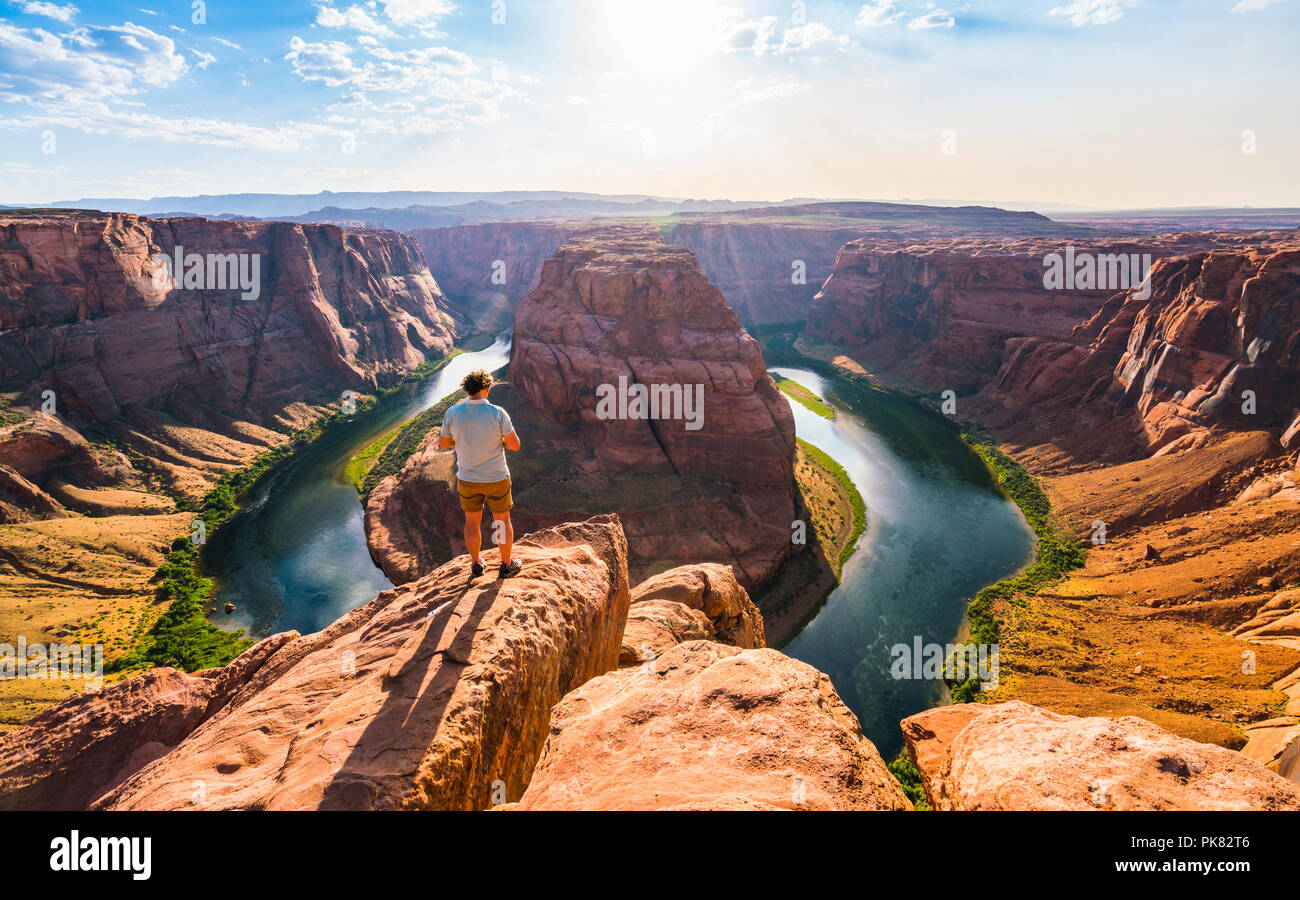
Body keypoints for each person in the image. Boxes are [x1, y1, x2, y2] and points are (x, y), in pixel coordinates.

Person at [438, 369, 523, 578]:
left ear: (467, 389)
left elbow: (444, 443)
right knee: (501, 521)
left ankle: (476, 564)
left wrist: (462, 441)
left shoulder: (453, 412)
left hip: (467, 479)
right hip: (496, 478)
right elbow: (515, 445)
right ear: (487, 388)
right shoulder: (498, 413)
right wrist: (498, 441)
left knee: (471, 522)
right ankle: (506, 565)